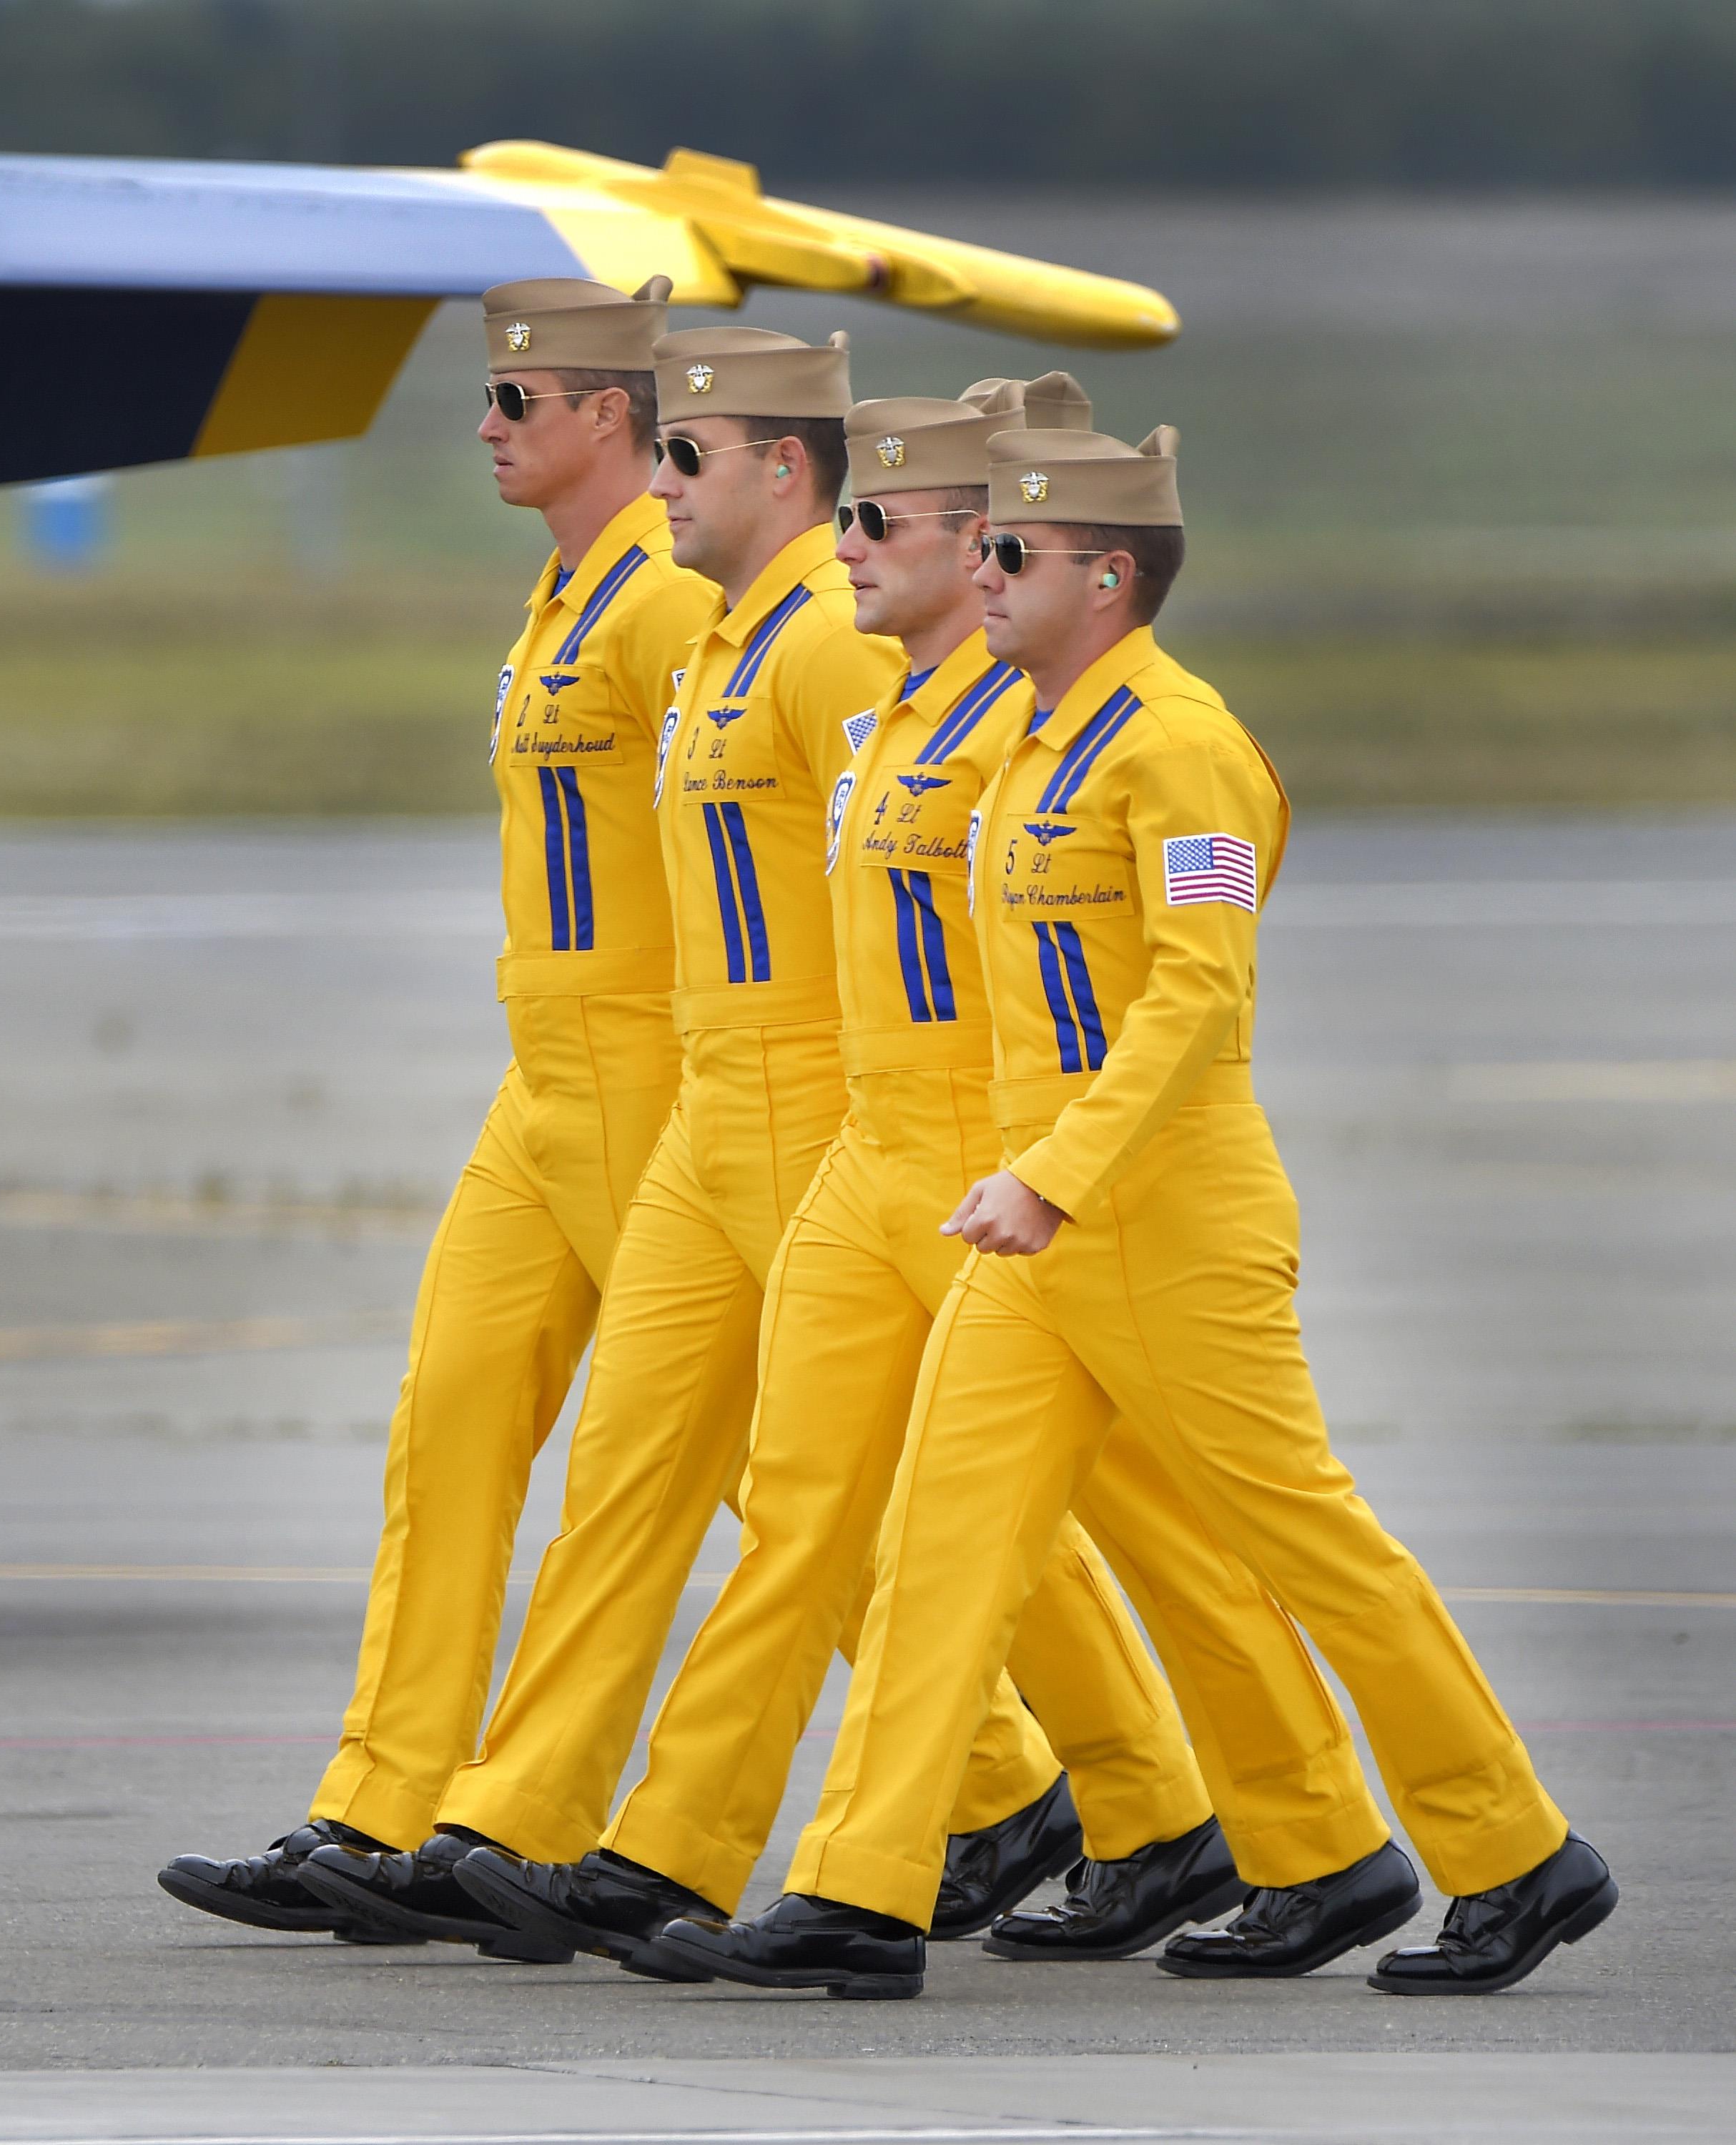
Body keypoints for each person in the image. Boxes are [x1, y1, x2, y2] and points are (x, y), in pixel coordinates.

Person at [457, 377, 1399, 1983]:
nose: (848, 548)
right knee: (816, 1508)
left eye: (879, 521)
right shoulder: (899, 703)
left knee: (1147, 1524)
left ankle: (1298, 1831)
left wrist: (1047, 1157)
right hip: (846, 1132)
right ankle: (679, 1848)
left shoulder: (1078, 728)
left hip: (1005, 1153)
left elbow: (1173, 970)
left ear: (995, 555)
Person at [659, 423, 1617, 1999]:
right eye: (979, 547)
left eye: (1009, 553)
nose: (982, 573)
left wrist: (1055, 1171)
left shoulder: (1186, 751)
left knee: (1309, 1543)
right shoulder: (1033, 746)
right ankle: (858, 1889)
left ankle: (1514, 1849)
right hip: (1033, 1226)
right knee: (939, 1552)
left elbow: (1199, 993)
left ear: (1108, 577)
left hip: (1169, 1221)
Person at [299, 330, 1210, 1960]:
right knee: (645, 1466)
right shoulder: (693, 622)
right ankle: (506, 1816)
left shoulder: (815, 643)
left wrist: (964, 1102)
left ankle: (1125, 1797)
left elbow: (942, 872)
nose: (654, 480)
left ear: (779, 466)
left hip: (814, 1096)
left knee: (943, 1487)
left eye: (681, 450)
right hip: (673, 1088)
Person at [157, 278, 729, 1955]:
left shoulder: (667, 603)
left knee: (752, 1457)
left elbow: (762, 843)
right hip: (541, 1067)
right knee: (453, 1422)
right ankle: (385, 1804)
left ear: (608, 417)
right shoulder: (564, 594)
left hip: (652, 1069)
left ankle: (1018, 1775)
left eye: (514, 400)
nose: (484, 425)